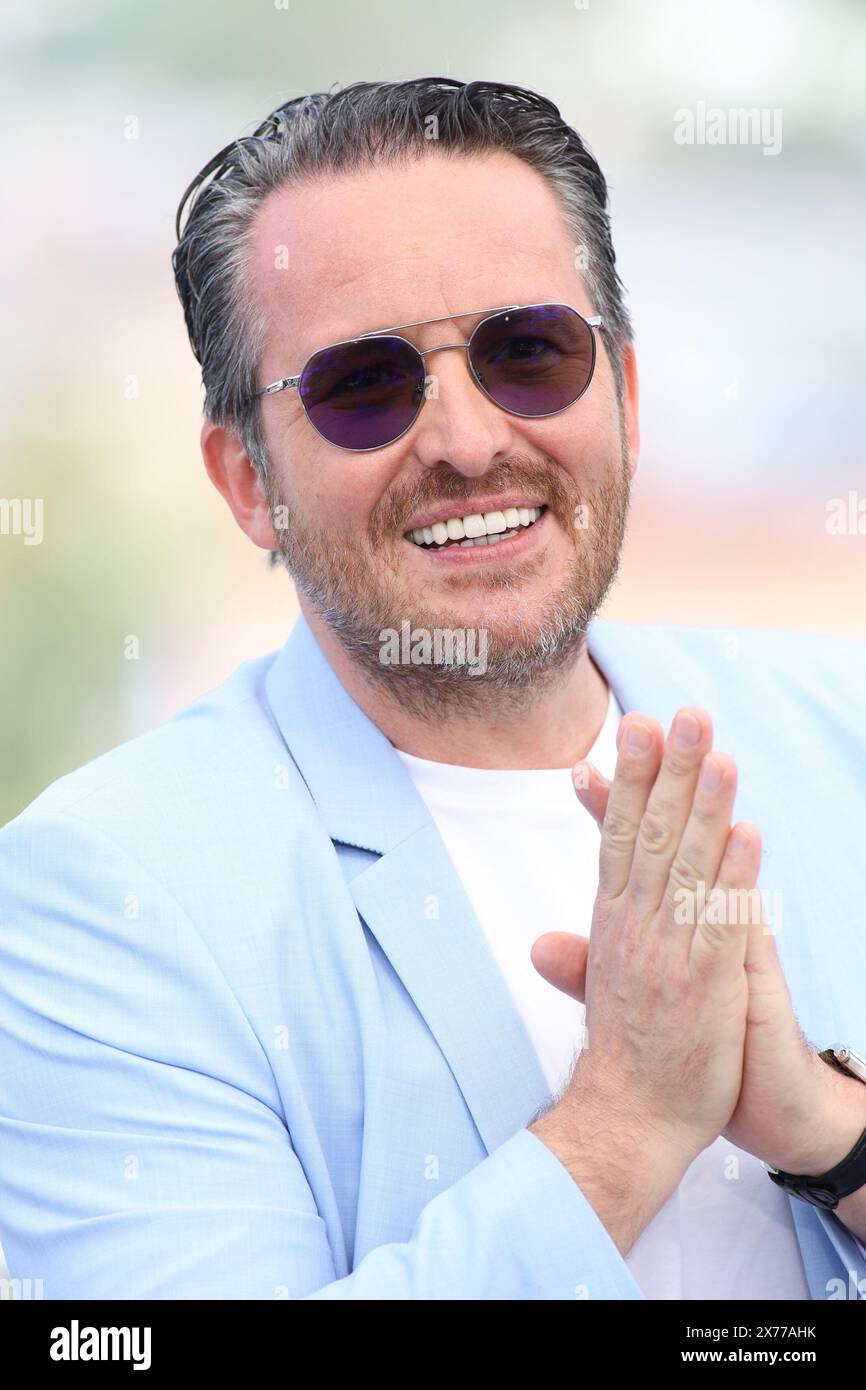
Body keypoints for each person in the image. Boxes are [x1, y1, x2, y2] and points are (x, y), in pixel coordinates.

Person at [1, 77, 865, 1301]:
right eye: (364, 385)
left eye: (527, 353)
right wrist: (622, 1124)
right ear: (246, 477)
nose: (465, 441)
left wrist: (833, 1134)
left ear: (620, 394)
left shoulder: (843, 734)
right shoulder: (100, 901)